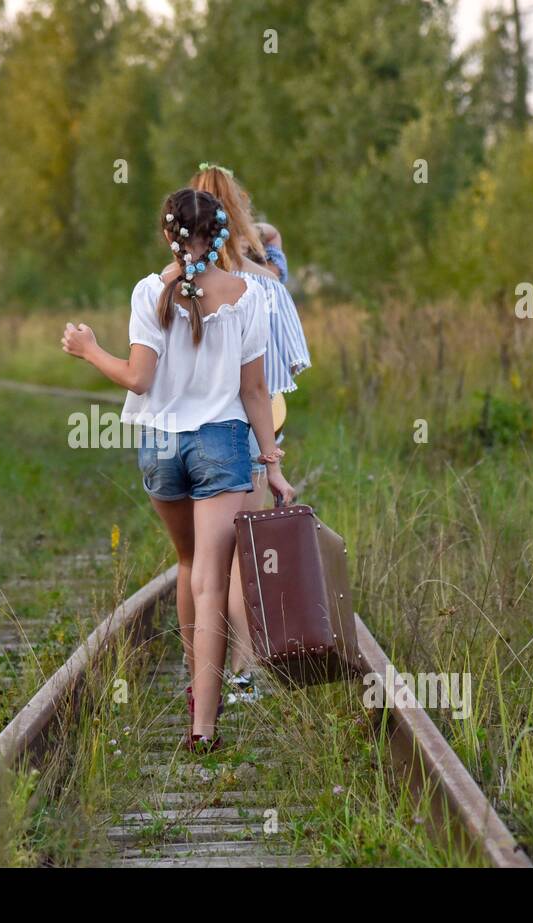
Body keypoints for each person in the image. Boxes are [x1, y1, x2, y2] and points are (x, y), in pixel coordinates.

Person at [60, 188, 294, 752]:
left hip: (163, 446)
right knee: (213, 579)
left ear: (169, 235)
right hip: (222, 444)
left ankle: (196, 685)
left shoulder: (149, 291)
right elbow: (256, 391)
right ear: (220, 236)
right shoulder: (248, 295)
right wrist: (273, 464)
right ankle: (204, 725)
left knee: (188, 564)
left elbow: (139, 379)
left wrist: (90, 349)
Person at [189, 163, 311, 703]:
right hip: (244, 432)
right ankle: (240, 670)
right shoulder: (263, 285)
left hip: (185, 433)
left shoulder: (175, 279)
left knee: (195, 559)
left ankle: (200, 673)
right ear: (240, 211)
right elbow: (273, 382)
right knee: (246, 551)